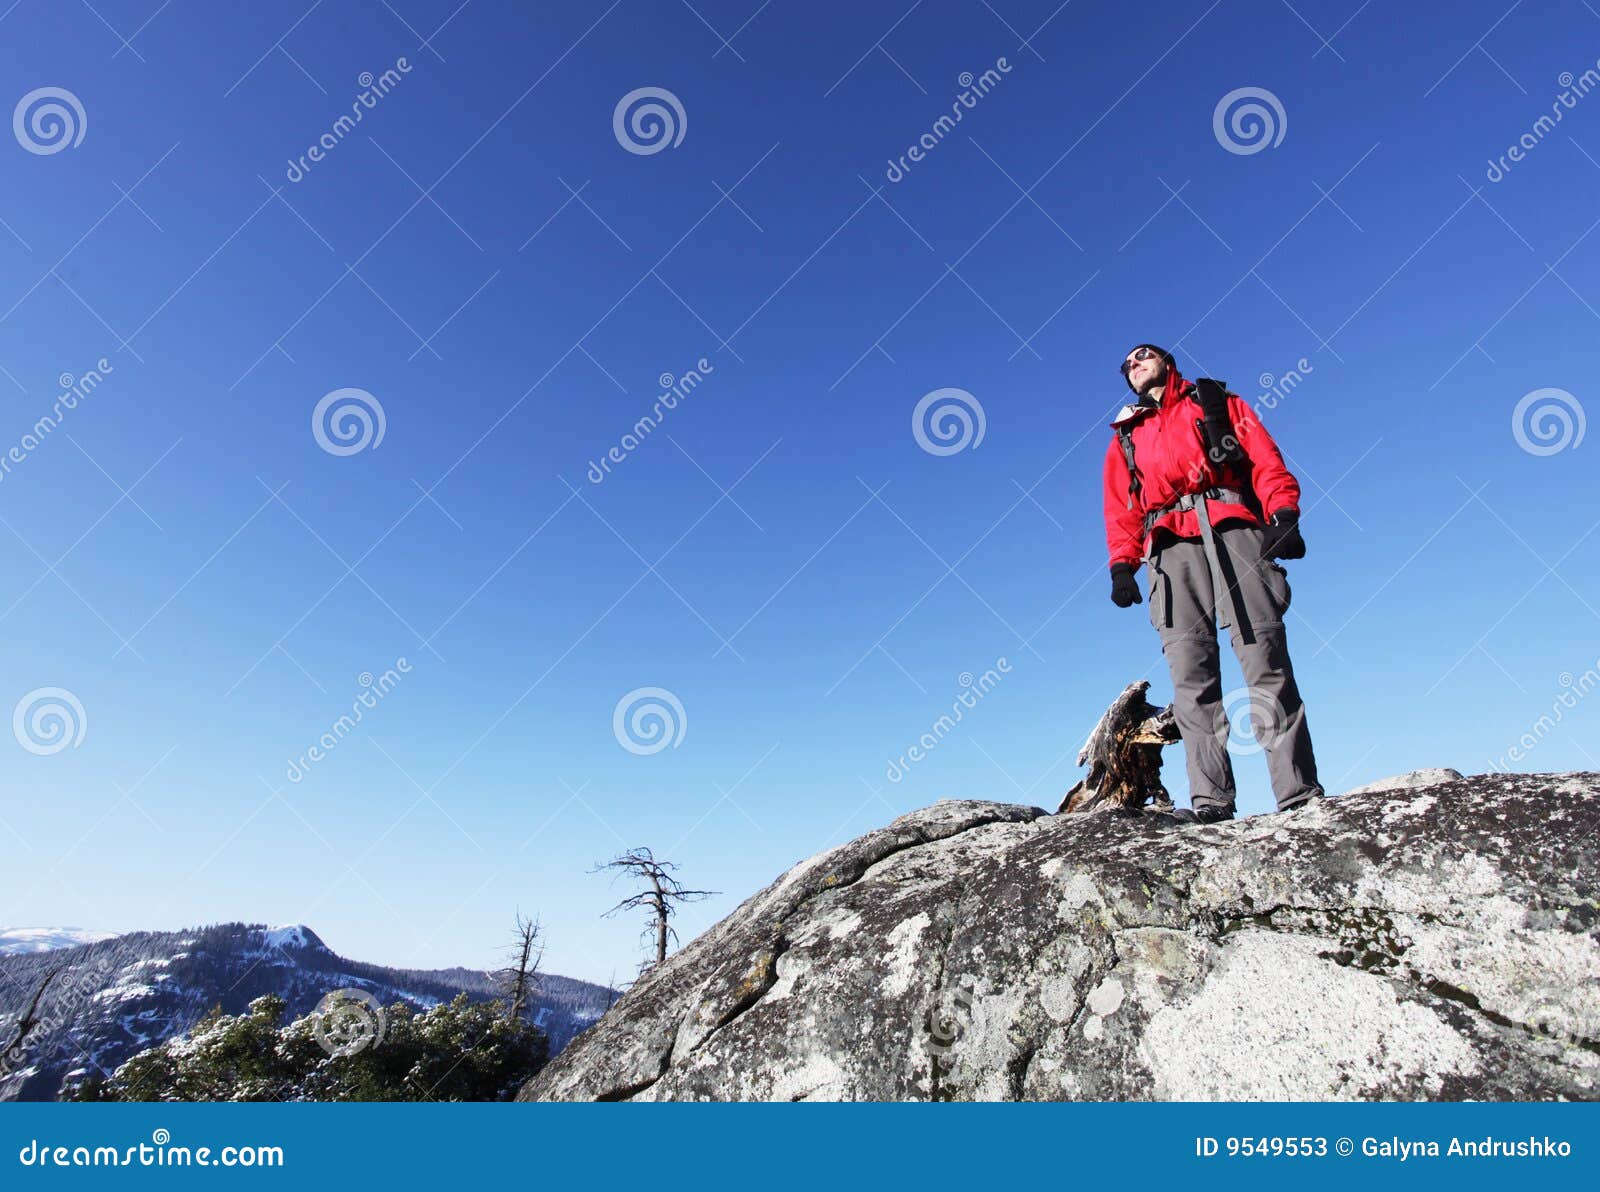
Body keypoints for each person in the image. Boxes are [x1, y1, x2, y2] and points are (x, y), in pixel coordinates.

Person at [1102, 343, 1324, 823]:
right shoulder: (1125, 435)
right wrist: (1122, 566)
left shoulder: (1216, 402)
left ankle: (1298, 796)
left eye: (1143, 355)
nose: (1134, 364)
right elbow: (1121, 507)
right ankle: (1211, 803)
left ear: (1167, 361)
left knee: (1265, 663)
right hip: (1167, 548)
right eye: (1127, 365)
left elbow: (1264, 457)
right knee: (1191, 681)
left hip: (1232, 530)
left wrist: (1284, 513)